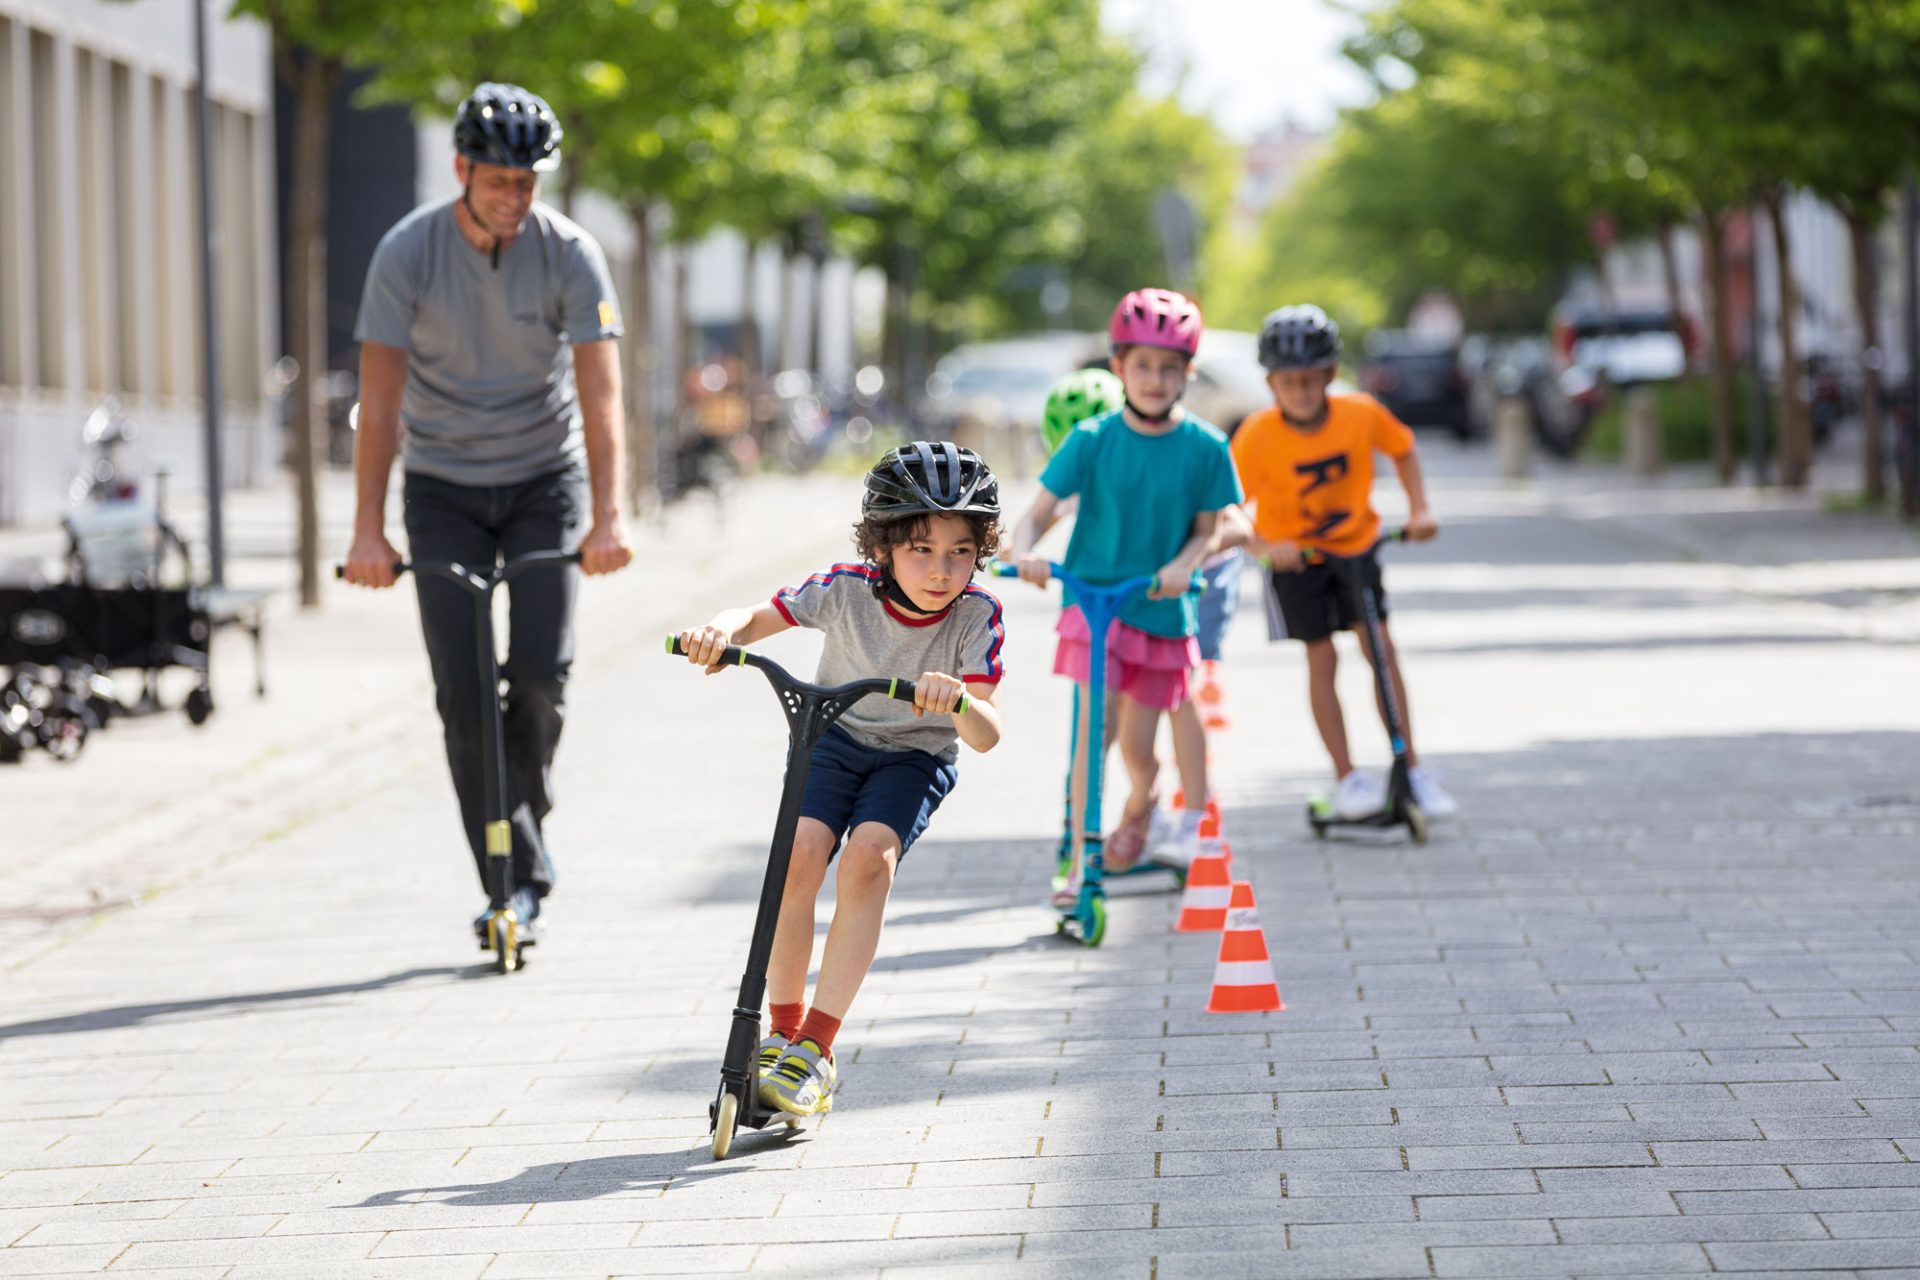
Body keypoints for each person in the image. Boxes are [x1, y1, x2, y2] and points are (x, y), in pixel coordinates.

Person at [340, 82, 634, 947]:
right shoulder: (407, 253)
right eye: (499, 178)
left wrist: (610, 515)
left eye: (528, 181)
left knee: (539, 676)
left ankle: (521, 821)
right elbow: (379, 403)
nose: (514, 196)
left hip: (547, 478)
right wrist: (366, 528)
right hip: (441, 486)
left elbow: (602, 395)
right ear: (462, 168)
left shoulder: (571, 253)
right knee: (465, 695)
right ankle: (510, 887)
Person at [675, 442, 1005, 1118]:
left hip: (914, 757)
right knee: (797, 859)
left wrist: (961, 702)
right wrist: (717, 632)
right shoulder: (845, 588)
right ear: (882, 545)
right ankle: (781, 1033)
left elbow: (988, 734)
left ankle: (816, 1049)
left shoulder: (978, 617)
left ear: (980, 551)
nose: (941, 570)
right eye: (920, 548)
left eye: (960, 551)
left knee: (865, 866)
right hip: (832, 741)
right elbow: (758, 615)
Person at [1009, 289, 1242, 892]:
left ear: (1188, 373)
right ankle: (1079, 856)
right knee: (1095, 731)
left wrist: (1184, 565)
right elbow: (1035, 515)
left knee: (1140, 750)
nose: (1155, 379)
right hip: (1093, 605)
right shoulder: (1090, 438)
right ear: (1118, 369)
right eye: (1142, 366)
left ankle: (1142, 806)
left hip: (1159, 610)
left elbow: (1209, 529)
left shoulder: (1206, 448)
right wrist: (1027, 550)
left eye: (1170, 368)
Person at [1231, 304, 1456, 820]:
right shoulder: (1256, 436)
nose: (1301, 391)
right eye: (1289, 382)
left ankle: (1411, 769)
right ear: (1271, 383)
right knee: (1322, 659)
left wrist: (1419, 509)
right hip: (1296, 563)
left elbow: (1402, 448)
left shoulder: (1360, 413)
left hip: (1356, 549)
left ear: (1330, 375)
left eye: (1311, 380)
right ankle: (1347, 778)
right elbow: (1226, 509)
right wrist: (1263, 546)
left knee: (1381, 650)